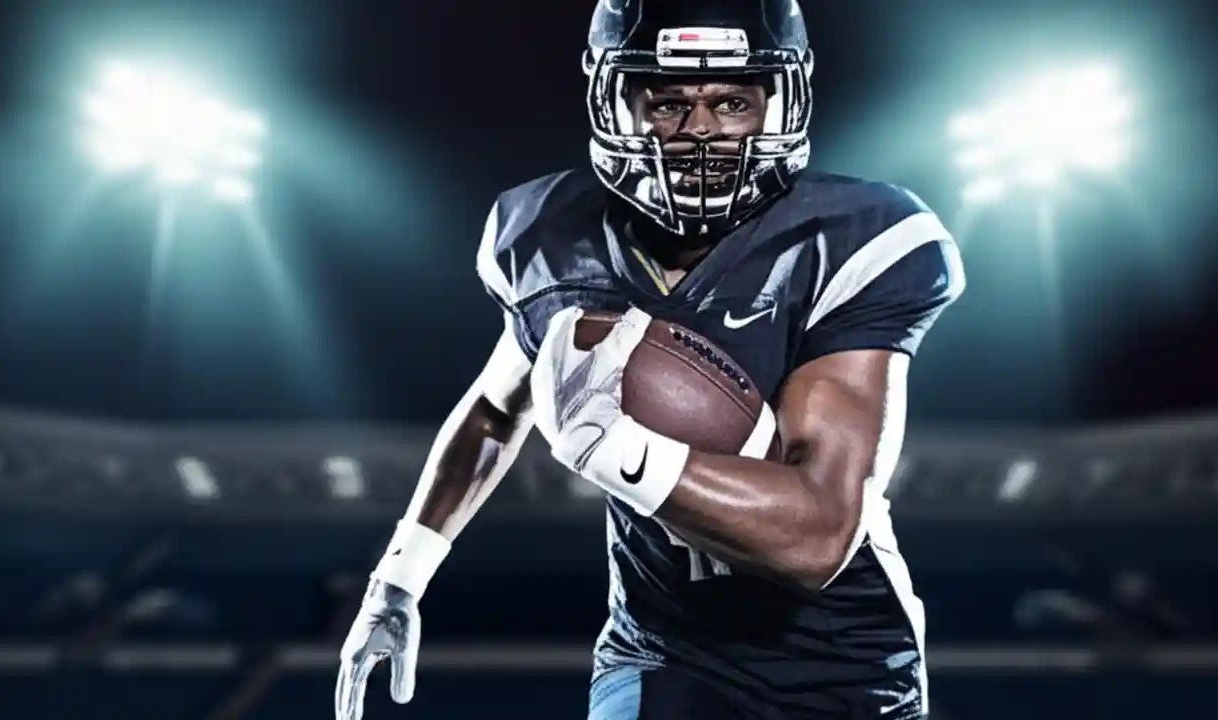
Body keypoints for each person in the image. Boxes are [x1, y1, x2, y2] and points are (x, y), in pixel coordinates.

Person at [336, 1, 965, 718]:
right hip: (660, 646)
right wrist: (399, 576)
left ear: (781, 99)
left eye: (732, 102)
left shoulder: (850, 239)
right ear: (616, 101)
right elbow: (493, 408)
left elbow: (818, 535)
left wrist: (617, 448)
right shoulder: (553, 236)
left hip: (838, 657)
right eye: (668, 103)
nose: (701, 128)